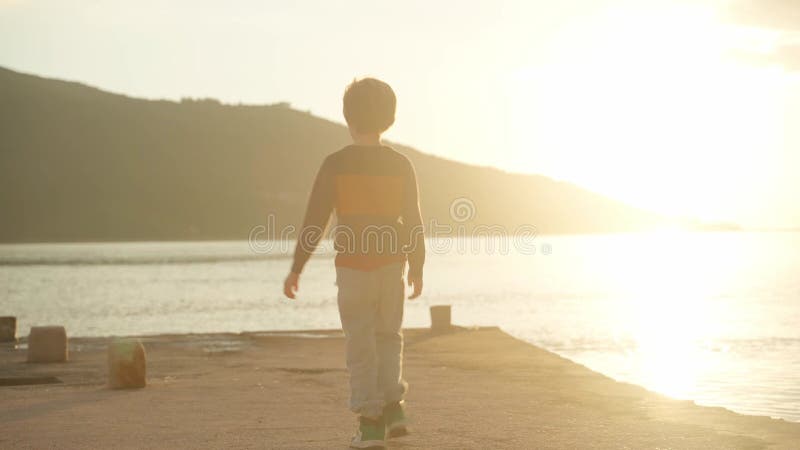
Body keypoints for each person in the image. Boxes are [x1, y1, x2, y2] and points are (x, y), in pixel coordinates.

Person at [283, 77, 425, 449]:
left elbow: (315, 219)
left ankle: (370, 422)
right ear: (389, 119)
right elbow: (413, 220)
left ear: (348, 118)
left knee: (360, 342)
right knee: (389, 337)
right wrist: (419, 266)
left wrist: (297, 267)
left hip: (352, 269)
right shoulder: (401, 165)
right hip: (393, 266)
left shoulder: (336, 164)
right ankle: (394, 407)